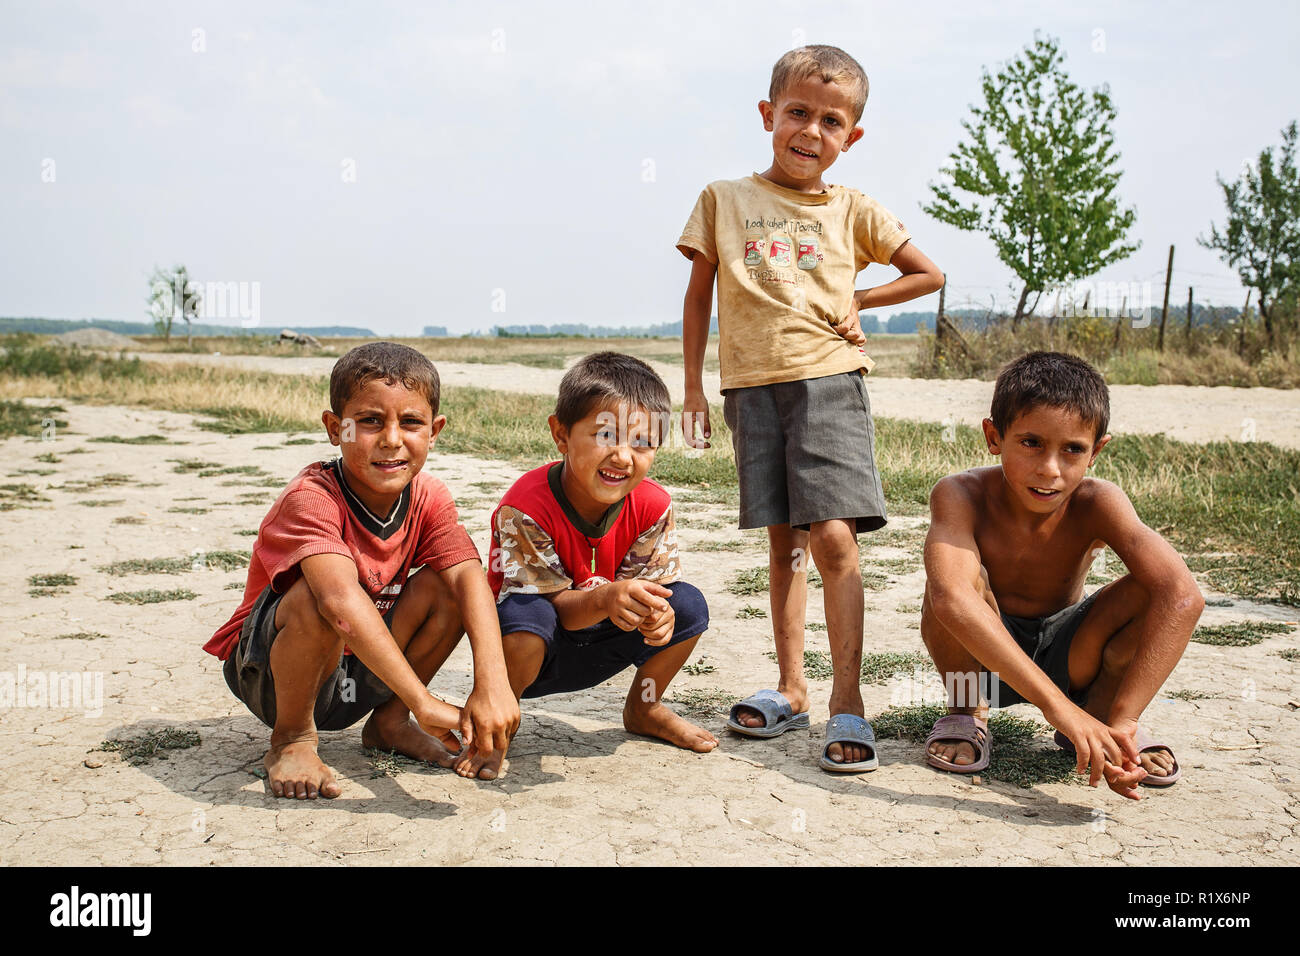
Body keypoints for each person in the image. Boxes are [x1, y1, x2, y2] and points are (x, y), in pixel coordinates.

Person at [676, 44, 944, 771]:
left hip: (828, 382)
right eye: (798, 113)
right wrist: (695, 387)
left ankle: (846, 700)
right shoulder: (723, 199)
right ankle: (793, 688)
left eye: (831, 121)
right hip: (751, 389)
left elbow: (928, 273)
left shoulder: (854, 209)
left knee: (832, 539)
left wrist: (859, 298)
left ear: (850, 137)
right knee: (783, 545)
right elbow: (699, 296)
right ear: (769, 115)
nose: (810, 131)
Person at [205, 342, 518, 799]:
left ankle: (389, 724)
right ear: (336, 428)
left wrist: (493, 686)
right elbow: (338, 602)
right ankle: (292, 739)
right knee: (319, 599)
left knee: (447, 584)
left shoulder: (428, 496)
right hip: (270, 675)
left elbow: (471, 577)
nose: (392, 439)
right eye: (370, 421)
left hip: (360, 674)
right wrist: (425, 702)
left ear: (435, 431)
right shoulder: (312, 497)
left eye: (411, 422)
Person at [920, 351, 1203, 799]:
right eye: (1031, 442)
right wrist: (1057, 709)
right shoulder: (961, 494)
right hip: (981, 658)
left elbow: (1183, 597)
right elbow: (951, 600)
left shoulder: (1100, 502)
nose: (1050, 469)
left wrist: (1126, 720)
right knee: (954, 584)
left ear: (1097, 451)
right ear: (994, 437)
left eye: (1073, 449)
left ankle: (1105, 720)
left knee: (1153, 590)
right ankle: (967, 713)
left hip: (1070, 655)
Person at [453, 352, 715, 780]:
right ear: (561, 433)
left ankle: (644, 708)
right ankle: (496, 723)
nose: (623, 457)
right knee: (527, 614)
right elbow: (554, 610)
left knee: (686, 604)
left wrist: (657, 616)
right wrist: (609, 596)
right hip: (531, 653)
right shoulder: (526, 507)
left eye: (642, 442)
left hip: (602, 639)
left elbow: (651, 593)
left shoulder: (653, 505)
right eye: (605, 435)